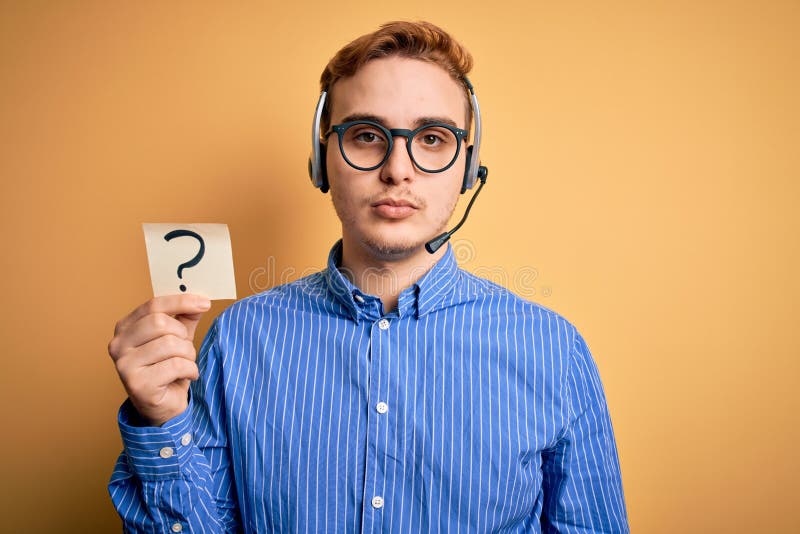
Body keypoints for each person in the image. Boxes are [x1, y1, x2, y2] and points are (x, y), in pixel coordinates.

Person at [107, 21, 629, 533]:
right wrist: (163, 422)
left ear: (468, 166)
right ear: (321, 159)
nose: (397, 169)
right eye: (365, 135)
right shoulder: (239, 340)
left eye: (431, 137)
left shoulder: (553, 351)